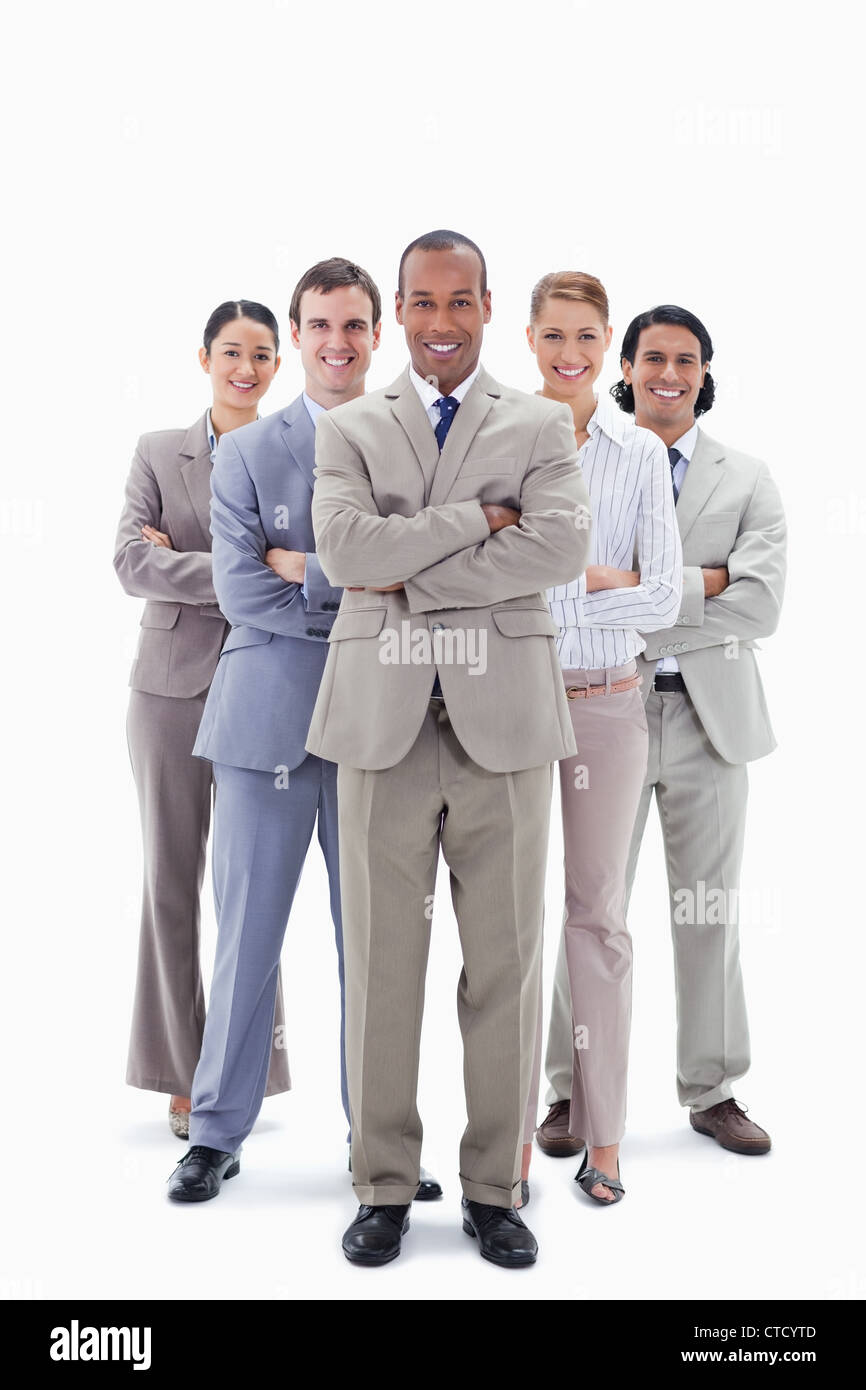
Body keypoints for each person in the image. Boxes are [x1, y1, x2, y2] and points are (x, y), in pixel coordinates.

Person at [306, 229, 592, 1267]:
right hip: (378, 724)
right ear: (398, 309)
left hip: (505, 724)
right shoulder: (351, 424)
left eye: (457, 301)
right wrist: (477, 520)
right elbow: (342, 549)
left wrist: (408, 567)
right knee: (382, 965)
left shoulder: (537, 423)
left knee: (505, 965)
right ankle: (381, 1183)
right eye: (419, 303)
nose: (438, 322)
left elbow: (557, 546)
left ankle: (492, 1186)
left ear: (483, 306)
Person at [167, 259, 442, 1205]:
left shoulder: (414, 447)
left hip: (384, 726)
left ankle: (382, 1146)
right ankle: (214, 1132)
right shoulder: (244, 454)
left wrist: (312, 571)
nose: (338, 342)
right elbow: (240, 589)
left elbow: (433, 576)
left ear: (380, 334)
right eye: (320, 325)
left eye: (356, 325)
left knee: (377, 946)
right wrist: (361, 579)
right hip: (264, 728)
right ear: (297, 334)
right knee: (247, 935)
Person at [537, 304, 786, 1160]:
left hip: (711, 723)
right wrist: (696, 586)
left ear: (705, 372)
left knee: (706, 910)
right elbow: (557, 584)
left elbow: (763, 603)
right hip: (603, 706)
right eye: (652, 359)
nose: (668, 374)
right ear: (628, 368)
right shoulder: (586, 460)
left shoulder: (747, 477)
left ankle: (712, 1089)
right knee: (589, 908)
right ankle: (570, 1094)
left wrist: (639, 587)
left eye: (685, 360)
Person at [522, 273, 682, 1204]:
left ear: (607, 341)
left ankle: (605, 1134)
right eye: (553, 335)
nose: (569, 352)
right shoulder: (503, 439)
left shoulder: (641, 455)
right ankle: (508, 1135)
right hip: (509, 696)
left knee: (599, 917)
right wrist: (592, 575)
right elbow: (483, 582)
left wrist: (558, 581)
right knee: (508, 922)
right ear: (531, 339)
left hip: (609, 701)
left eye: (586, 335)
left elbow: (661, 597)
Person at [115, 300, 288, 1139]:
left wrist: (185, 562)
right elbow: (128, 560)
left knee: (255, 887)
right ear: (204, 357)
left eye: (261, 353)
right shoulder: (158, 452)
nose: (245, 367)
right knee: (172, 882)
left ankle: (244, 1067)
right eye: (231, 351)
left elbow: (307, 570)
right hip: (170, 692)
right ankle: (184, 1072)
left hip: (264, 683)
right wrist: (244, 570)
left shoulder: (292, 452)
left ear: (279, 365)